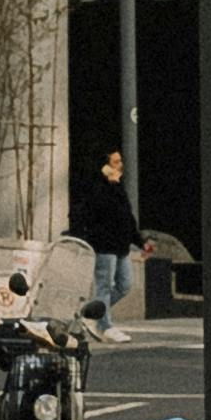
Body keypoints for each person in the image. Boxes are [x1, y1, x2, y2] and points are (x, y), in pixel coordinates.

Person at [72, 141, 136, 338]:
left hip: (121, 246)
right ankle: (105, 326)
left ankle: (89, 313)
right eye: (116, 162)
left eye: (120, 161)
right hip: (104, 245)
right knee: (104, 286)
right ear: (105, 166)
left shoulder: (118, 187)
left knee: (125, 285)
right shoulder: (97, 187)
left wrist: (140, 242)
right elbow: (95, 211)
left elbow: (127, 215)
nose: (120, 165)